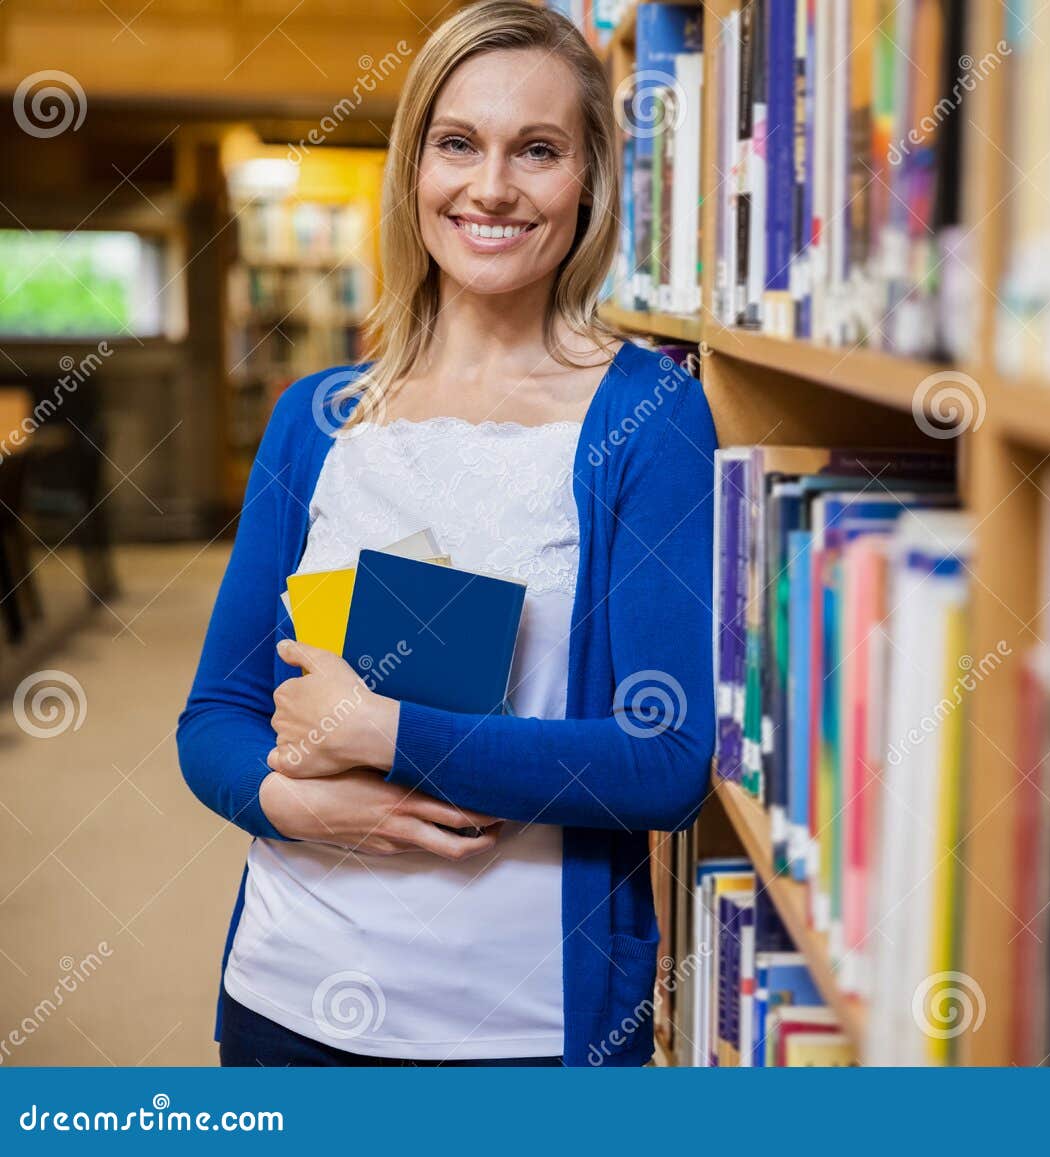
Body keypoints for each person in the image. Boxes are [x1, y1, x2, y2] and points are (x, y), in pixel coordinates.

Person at [176, 0, 713, 1067]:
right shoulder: (317, 416)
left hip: (519, 1028)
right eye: (457, 142)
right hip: (285, 996)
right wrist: (300, 803)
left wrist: (380, 731)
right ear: (413, 165)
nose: (492, 187)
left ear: (592, 179)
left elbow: (666, 762)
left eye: (539, 150)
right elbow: (214, 719)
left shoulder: (647, 416)